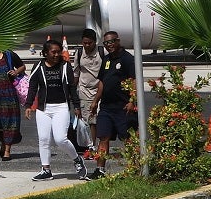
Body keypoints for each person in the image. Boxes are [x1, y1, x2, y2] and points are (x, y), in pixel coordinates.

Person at [24, 39, 80, 180]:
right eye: (53, 52)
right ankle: (46, 169)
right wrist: (28, 105)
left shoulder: (65, 66)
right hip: (44, 109)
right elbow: (32, 87)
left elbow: (72, 87)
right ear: (45, 53)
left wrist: (76, 106)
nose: (56, 55)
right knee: (43, 139)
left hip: (61, 107)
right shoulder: (39, 66)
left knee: (61, 139)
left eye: (58, 52)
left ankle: (77, 160)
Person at [92, 30, 139, 178]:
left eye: (112, 42)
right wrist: (95, 101)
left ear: (118, 41)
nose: (109, 45)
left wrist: (132, 101)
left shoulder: (127, 59)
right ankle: (100, 170)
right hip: (106, 107)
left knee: (128, 139)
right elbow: (102, 82)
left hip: (123, 107)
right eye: (106, 43)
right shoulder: (106, 60)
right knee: (103, 137)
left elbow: (134, 81)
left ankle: (133, 168)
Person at [71, 29, 103, 177]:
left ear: (95, 42)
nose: (87, 46)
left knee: (96, 121)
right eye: (84, 43)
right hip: (84, 91)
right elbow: (76, 73)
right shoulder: (79, 53)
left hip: (99, 90)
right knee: (88, 121)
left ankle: (96, 146)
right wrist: (72, 93)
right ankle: (90, 148)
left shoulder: (102, 53)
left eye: (89, 43)